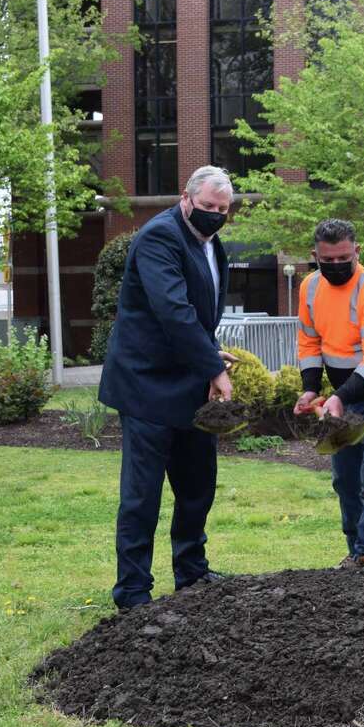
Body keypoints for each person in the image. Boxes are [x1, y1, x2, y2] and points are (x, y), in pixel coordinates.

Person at [100, 165, 238, 610]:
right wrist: (215, 369)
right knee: (142, 496)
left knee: (198, 487)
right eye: (207, 207)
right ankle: (134, 592)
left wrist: (211, 352)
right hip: (147, 387)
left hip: (190, 387)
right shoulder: (160, 238)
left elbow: (198, 316)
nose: (215, 215)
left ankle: (192, 574)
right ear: (186, 199)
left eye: (223, 209)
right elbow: (173, 311)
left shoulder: (214, 246)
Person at [293, 219, 364, 570]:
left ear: (358, 251)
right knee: (346, 480)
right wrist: (311, 388)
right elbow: (309, 342)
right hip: (343, 394)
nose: (337, 265)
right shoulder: (310, 288)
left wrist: (339, 397)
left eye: (345, 258)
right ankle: (355, 550)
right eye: (329, 261)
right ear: (315, 256)